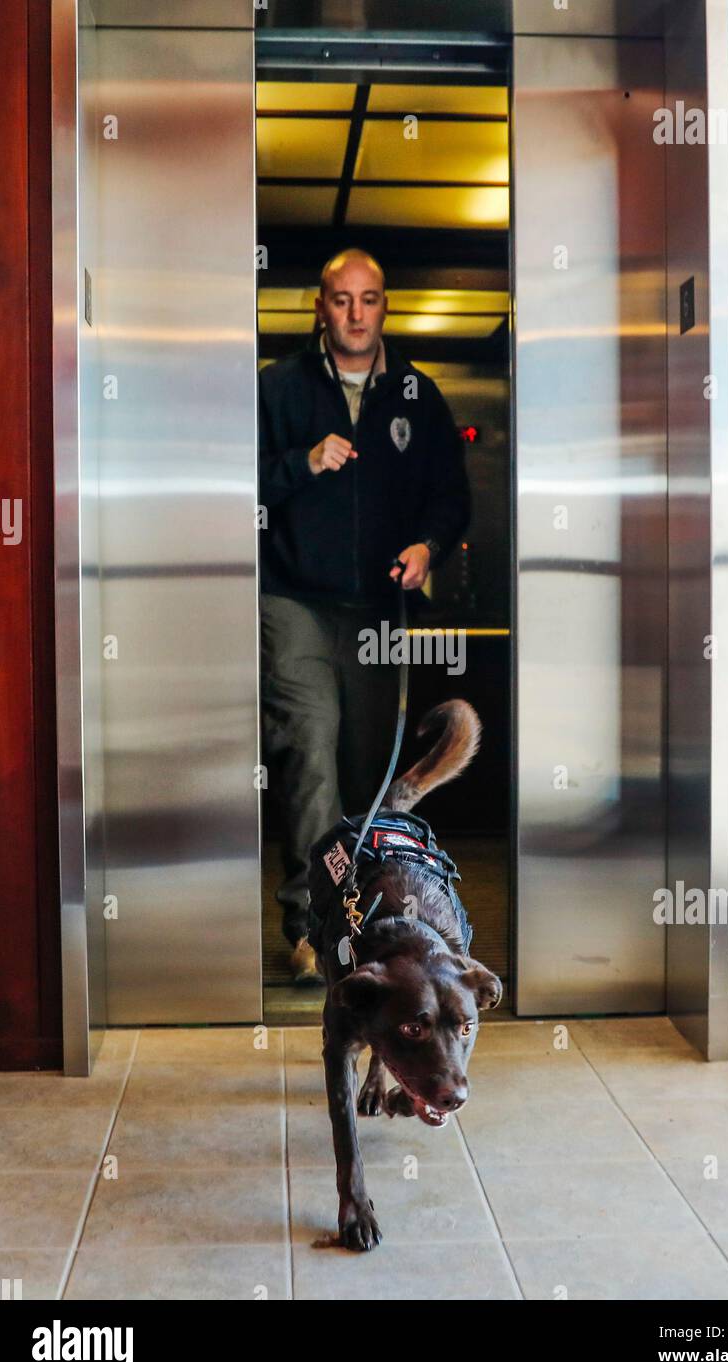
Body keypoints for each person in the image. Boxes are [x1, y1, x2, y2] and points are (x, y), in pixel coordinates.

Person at [258, 247, 471, 983]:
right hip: (294, 602)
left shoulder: (416, 393)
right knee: (308, 752)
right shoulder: (277, 390)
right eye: (340, 299)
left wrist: (428, 545)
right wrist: (301, 464)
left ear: (385, 307)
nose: (355, 314)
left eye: (369, 299)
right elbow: (234, 486)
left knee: (373, 771)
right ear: (319, 307)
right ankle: (314, 930)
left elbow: (450, 495)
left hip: (380, 608)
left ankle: (376, 921)